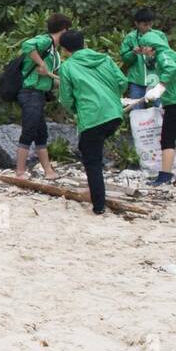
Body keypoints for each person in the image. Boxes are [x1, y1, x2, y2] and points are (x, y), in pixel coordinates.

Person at [57, 31, 125, 214]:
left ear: (64, 49)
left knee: (91, 160)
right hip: (114, 115)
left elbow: (65, 98)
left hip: (92, 117)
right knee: (91, 150)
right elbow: (122, 81)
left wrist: (76, 110)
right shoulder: (105, 58)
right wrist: (111, 98)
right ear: (84, 43)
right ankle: (98, 192)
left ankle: (99, 206)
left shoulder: (68, 66)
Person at [16, 14, 71, 179]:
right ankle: (19, 171)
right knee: (29, 130)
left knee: (41, 132)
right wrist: (41, 64)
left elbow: (50, 76)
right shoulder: (46, 41)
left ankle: (48, 171)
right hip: (29, 92)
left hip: (39, 94)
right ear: (63, 30)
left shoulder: (55, 52)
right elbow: (27, 45)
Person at [139, 32, 176, 186]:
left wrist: (159, 88)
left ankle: (164, 177)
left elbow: (170, 70)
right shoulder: (170, 54)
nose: (142, 49)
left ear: (152, 47)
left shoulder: (163, 55)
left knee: (167, 140)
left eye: (144, 47)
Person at [119, 9, 166, 103]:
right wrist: (133, 53)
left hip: (156, 79)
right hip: (137, 81)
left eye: (150, 24)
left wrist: (154, 51)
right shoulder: (130, 37)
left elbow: (166, 54)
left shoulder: (159, 35)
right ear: (136, 24)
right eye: (145, 25)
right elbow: (125, 59)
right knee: (136, 107)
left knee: (161, 108)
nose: (148, 27)